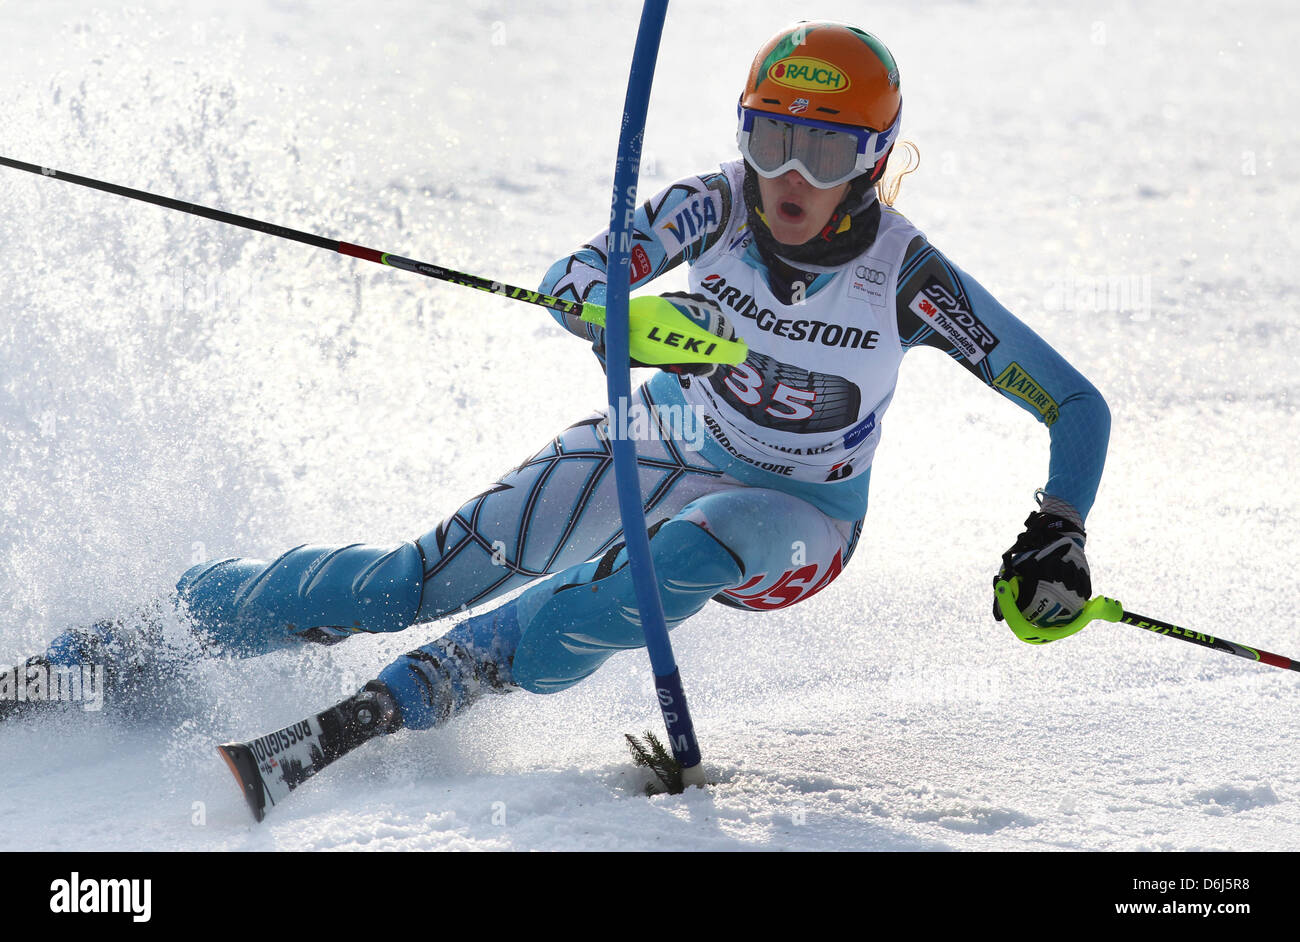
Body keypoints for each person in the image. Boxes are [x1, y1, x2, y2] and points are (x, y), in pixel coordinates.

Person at [2, 21, 1107, 818]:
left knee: (680, 554)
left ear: (872, 155)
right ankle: (125, 643)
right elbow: (582, 270)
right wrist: (601, 304)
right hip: (666, 433)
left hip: (797, 514)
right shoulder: (712, 203)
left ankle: (420, 691)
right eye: (768, 136)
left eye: (820, 150)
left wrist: (1060, 525)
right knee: (403, 579)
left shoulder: (905, 278)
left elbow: (1073, 403)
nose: (786, 173)